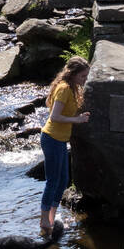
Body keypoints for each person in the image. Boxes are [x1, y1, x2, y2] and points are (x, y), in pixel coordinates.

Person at [39, 56, 90, 231]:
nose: (85, 80)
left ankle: (52, 218)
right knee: (53, 181)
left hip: (60, 140)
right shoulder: (64, 89)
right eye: (83, 76)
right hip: (51, 138)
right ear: (73, 74)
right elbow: (55, 117)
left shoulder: (73, 88)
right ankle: (44, 220)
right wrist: (77, 119)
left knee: (63, 181)